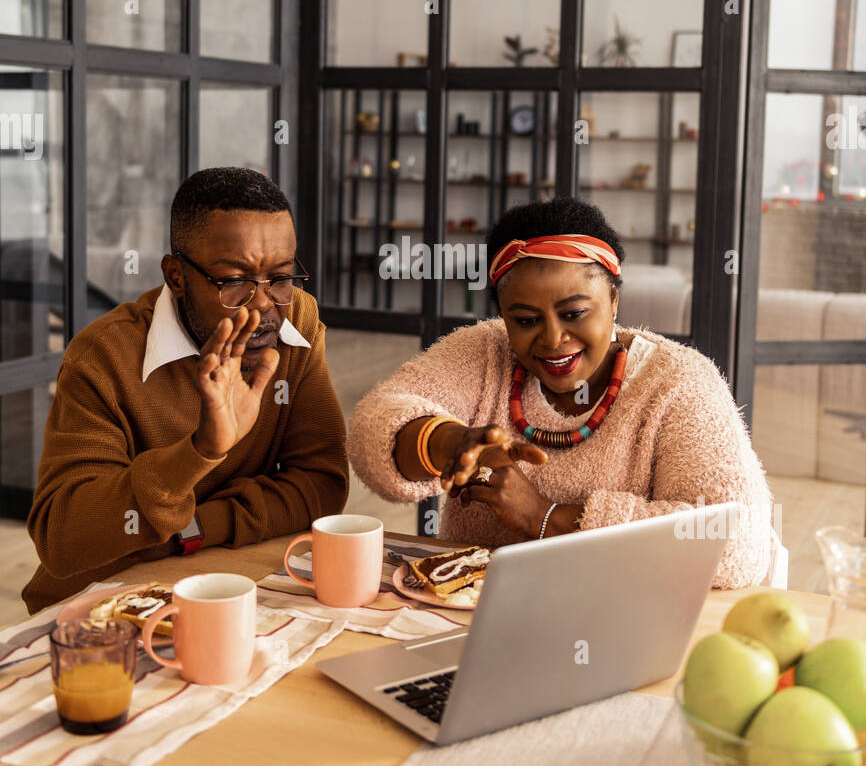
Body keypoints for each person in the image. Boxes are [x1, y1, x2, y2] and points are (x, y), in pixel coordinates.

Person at [348, 196, 773, 588]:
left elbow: (738, 541)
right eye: (526, 320)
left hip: (621, 623)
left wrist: (546, 519)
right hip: (471, 627)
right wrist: (446, 441)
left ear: (614, 299)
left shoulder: (678, 382)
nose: (553, 339)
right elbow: (373, 426)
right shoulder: (483, 352)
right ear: (502, 317)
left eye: (574, 313)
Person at [23, 167, 348, 613]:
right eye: (234, 280)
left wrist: (188, 531)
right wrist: (198, 451)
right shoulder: (104, 356)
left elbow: (321, 485)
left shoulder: (298, 322)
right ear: (176, 276)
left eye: (281, 277)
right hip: (97, 612)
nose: (263, 304)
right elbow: (62, 539)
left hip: (225, 584)